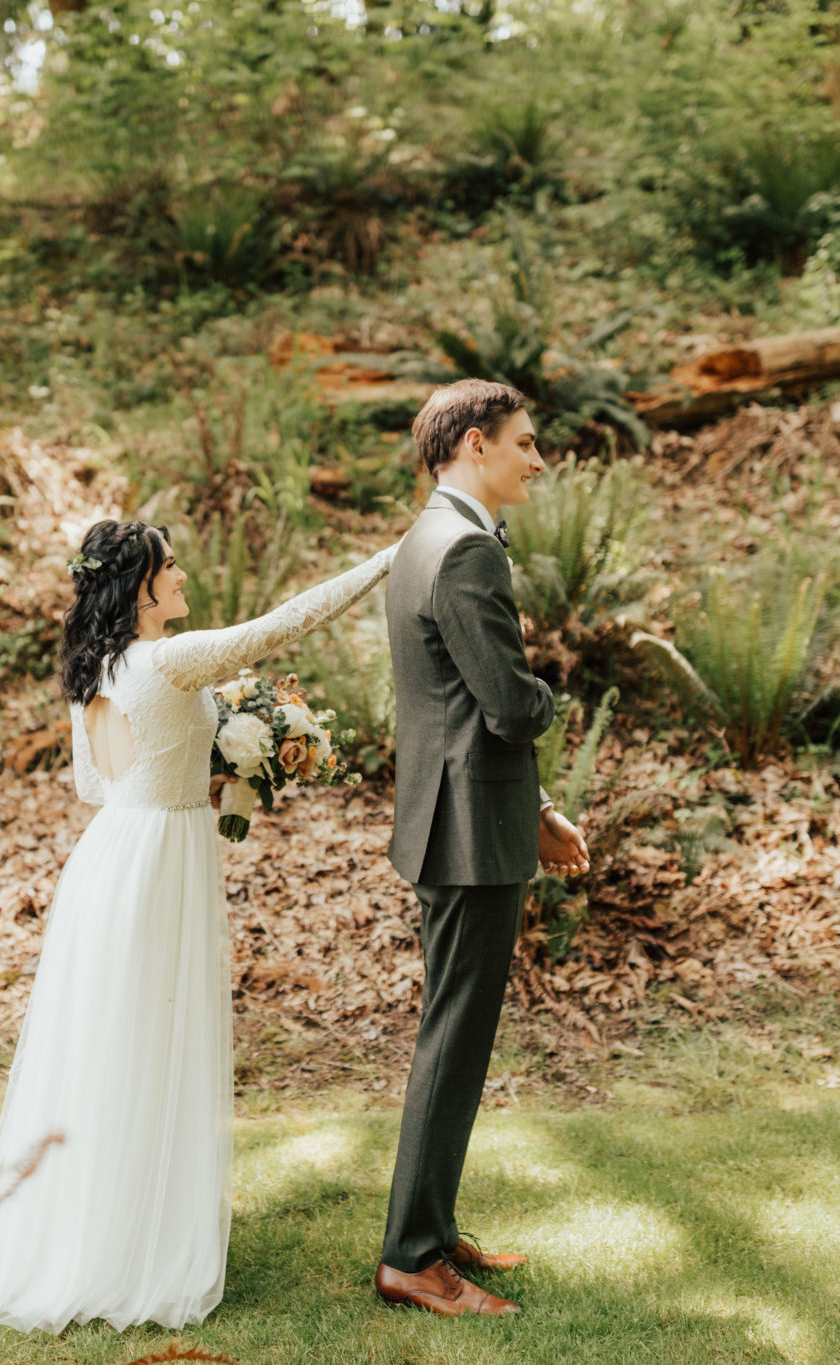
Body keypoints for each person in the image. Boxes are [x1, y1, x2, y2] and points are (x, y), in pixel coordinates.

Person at [0, 518, 394, 1333]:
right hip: (157, 863)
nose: (184, 575)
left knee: (111, 1044)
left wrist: (205, 771)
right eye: (171, 566)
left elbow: (95, 784)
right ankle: (129, 1248)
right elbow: (286, 623)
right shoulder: (167, 657)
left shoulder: (99, 664)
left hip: (113, 854)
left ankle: (100, 1224)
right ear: (140, 587)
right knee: (148, 1038)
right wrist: (393, 557)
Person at [376, 378, 590, 1317]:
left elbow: (457, 709)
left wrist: (535, 803)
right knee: (454, 1040)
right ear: (473, 444)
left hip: (461, 817)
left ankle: (432, 1222)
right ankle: (413, 1257)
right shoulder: (463, 550)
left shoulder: (428, 539)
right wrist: (553, 695)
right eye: (525, 442)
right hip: (465, 834)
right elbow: (506, 704)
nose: (537, 459)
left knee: (455, 1035)